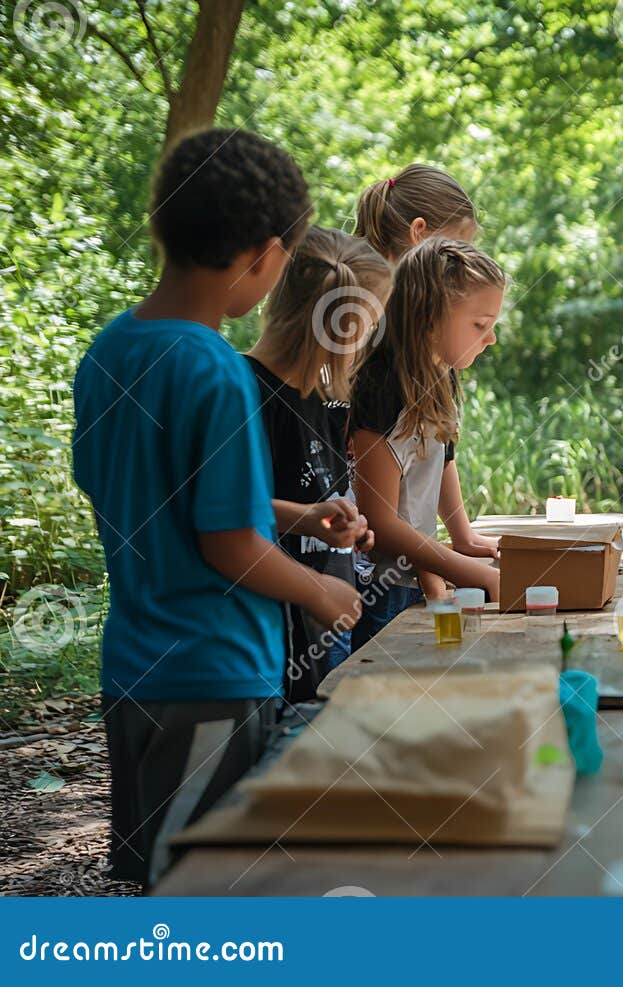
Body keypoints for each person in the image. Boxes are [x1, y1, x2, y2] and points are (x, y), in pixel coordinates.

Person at [71, 129, 361, 888]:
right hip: (212, 673)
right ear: (265, 256)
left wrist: (299, 517)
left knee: (165, 876)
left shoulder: (109, 352)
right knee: (209, 891)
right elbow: (228, 543)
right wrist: (323, 589)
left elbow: (164, 499)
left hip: (134, 669)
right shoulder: (212, 365)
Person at [244, 227, 391, 703]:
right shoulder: (242, 392)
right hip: (263, 643)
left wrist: (347, 527)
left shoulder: (327, 398)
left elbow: (321, 494)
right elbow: (214, 507)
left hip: (320, 634)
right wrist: (303, 519)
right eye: (368, 328)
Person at [349, 238, 506, 648]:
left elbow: (440, 458)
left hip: (415, 575)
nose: (491, 340)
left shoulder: (442, 373)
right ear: (429, 316)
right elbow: (381, 523)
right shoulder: (381, 385)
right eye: (480, 324)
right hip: (377, 588)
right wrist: (481, 576)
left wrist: (464, 538)